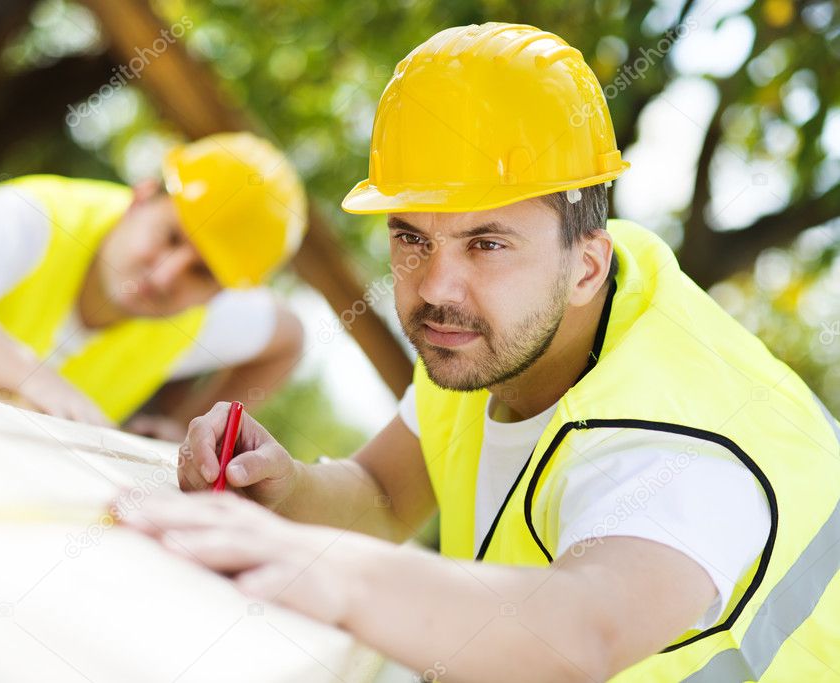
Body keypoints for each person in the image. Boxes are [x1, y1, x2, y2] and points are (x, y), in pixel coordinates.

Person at [121, 24, 840, 681]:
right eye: (412, 238)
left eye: (487, 244)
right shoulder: (494, 335)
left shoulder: (681, 436)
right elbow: (381, 495)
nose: (436, 287)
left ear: (586, 266)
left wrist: (335, 575)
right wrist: (284, 489)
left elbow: (582, 633)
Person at [0, 132, 307, 437]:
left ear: (223, 291)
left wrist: (186, 429)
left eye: (202, 272)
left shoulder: (206, 318)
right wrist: (39, 381)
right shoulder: (38, 215)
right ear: (142, 197)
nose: (164, 276)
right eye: (171, 237)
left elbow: (289, 339)